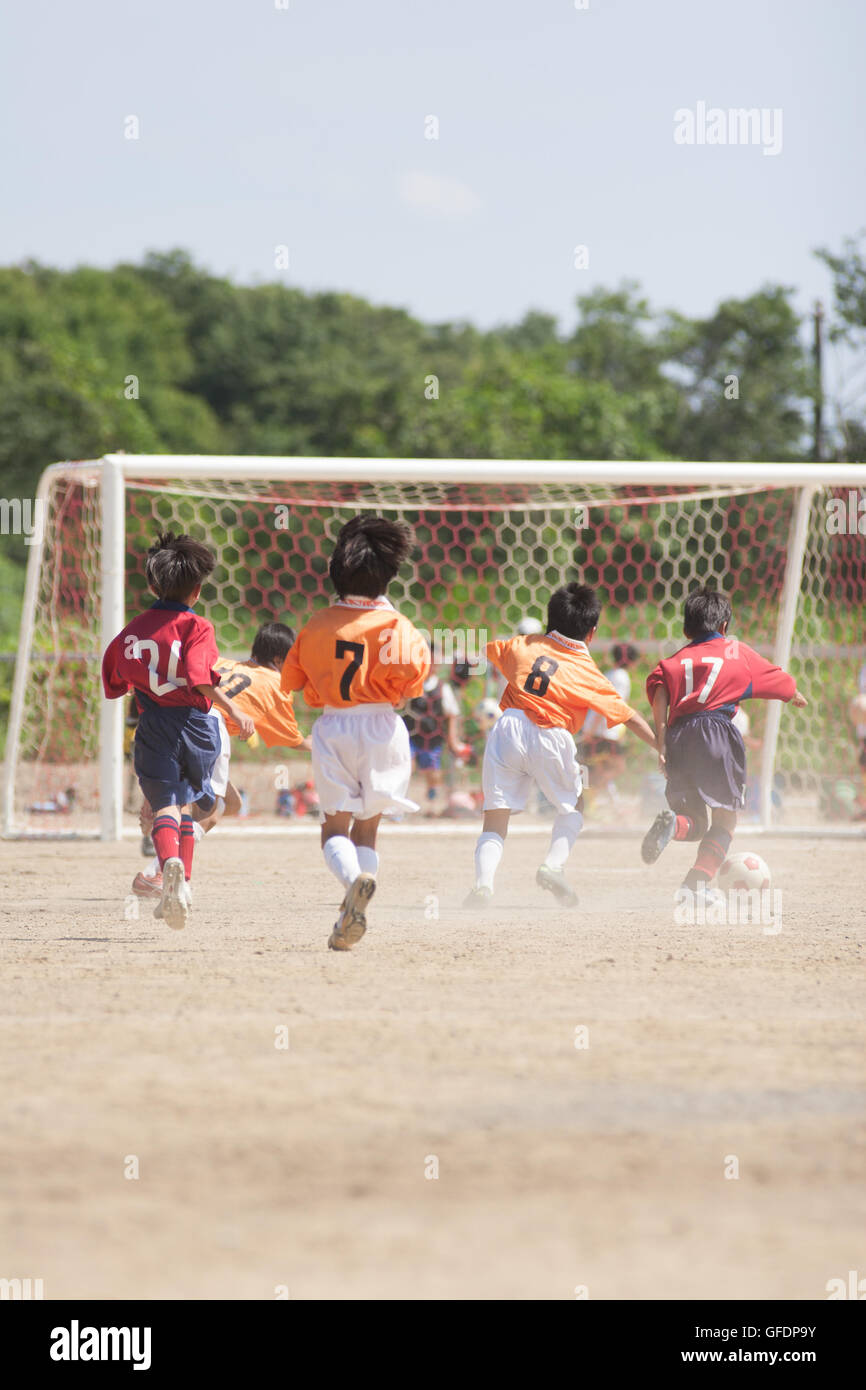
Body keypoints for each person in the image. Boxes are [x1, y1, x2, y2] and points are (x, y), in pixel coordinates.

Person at [280, 515, 430, 950]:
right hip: (383, 727)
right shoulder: (400, 626)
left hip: (335, 725)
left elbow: (294, 680)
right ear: (388, 576)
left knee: (333, 829)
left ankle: (353, 883)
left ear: (336, 572)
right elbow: (413, 683)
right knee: (368, 830)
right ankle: (358, 897)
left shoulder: (318, 623)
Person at [463, 583, 657, 908]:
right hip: (552, 734)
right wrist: (661, 746)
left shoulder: (522, 644)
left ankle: (483, 886)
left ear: (549, 621)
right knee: (574, 806)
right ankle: (553, 866)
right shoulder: (587, 671)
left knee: (495, 818)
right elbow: (629, 717)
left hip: (508, 726)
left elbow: (487, 650)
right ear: (592, 633)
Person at [102, 532, 255, 929]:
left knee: (165, 803)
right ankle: (182, 883)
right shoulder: (197, 626)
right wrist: (235, 710)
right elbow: (201, 678)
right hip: (198, 727)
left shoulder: (133, 630)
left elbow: (113, 679)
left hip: (154, 725)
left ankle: (168, 863)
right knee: (187, 805)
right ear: (198, 590)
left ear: (152, 585)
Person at [641, 586, 807, 895]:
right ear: (724, 627)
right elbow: (776, 678)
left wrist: (662, 743)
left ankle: (672, 826)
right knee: (726, 818)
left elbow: (659, 690)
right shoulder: (735, 651)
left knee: (694, 822)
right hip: (716, 734)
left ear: (686, 628)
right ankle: (696, 886)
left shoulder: (672, 661)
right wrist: (792, 693)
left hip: (678, 736)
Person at [132, 621, 310, 898]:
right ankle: (158, 871)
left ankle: (158, 838)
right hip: (209, 729)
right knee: (208, 811)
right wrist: (330, 745)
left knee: (231, 803)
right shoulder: (275, 683)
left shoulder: (225, 663)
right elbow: (293, 740)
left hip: (175, 721)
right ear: (278, 660)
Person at [403, 666, 470, 815]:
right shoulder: (411, 684)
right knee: (406, 766)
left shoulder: (442, 687)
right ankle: (401, 804)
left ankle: (431, 804)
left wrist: (453, 740)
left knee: (433, 774)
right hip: (410, 736)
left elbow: (452, 714)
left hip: (432, 738)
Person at [580, 642, 640, 806]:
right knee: (615, 767)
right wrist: (591, 731)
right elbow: (606, 705)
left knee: (601, 769)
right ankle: (593, 799)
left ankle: (602, 801)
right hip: (603, 732)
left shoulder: (610, 673)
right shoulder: (621, 677)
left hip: (601, 730)